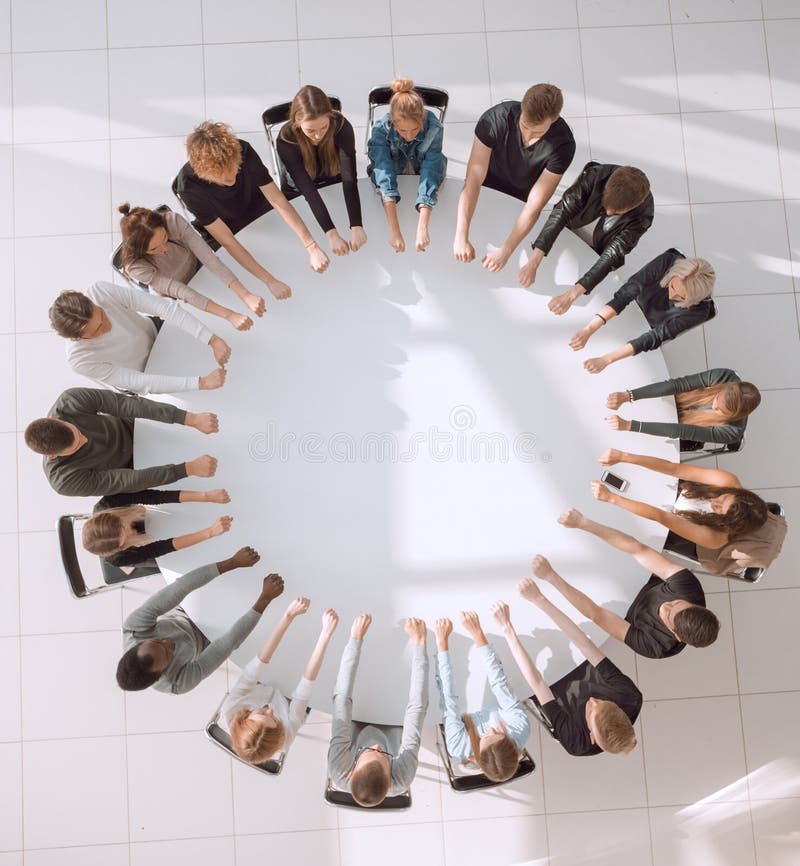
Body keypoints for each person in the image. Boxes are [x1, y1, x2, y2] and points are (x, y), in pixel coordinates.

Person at [174, 121, 329, 300]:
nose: (231, 177)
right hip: (226, 228)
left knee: (295, 264)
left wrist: (311, 246)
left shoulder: (243, 150)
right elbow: (228, 241)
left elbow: (277, 199)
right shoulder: (188, 187)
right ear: (203, 173)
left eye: (234, 168)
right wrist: (269, 280)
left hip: (259, 208)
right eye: (221, 175)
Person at [494, 570, 641, 757]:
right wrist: (539, 599)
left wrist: (507, 628)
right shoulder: (630, 697)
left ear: (592, 737)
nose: (593, 701)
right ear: (620, 710)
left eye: (592, 710)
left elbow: (538, 684)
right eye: (602, 702)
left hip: (550, 688)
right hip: (577, 661)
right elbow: (585, 645)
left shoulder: (576, 742)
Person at [553, 508, 720, 658]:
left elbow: (597, 615)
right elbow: (638, 549)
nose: (666, 606)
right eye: (676, 603)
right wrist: (583, 523)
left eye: (668, 615)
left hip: (618, 609)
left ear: (677, 636)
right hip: (638, 578)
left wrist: (552, 577)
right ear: (694, 605)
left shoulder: (655, 646)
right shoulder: (690, 591)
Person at [593, 448, 787, 576]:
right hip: (675, 497)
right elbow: (674, 469)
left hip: (679, 524)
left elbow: (660, 516)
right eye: (723, 497)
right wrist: (624, 457)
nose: (715, 502)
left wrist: (611, 498)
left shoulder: (715, 537)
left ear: (726, 523)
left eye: (720, 509)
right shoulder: (728, 481)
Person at [117, 546, 282, 695]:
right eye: (168, 653)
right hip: (208, 640)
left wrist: (233, 562)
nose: (168, 642)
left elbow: (179, 588)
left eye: (156, 640)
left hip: (184, 613)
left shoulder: (133, 630)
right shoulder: (177, 683)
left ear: (138, 644)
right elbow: (226, 644)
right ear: (161, 674)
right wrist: (265, 599)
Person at [453, 83, 576, 281]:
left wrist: (507, 250)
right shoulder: (494, 119)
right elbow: (473, 179)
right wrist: (461, 235)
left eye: (537, 132)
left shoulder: (563, 145)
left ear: (554, 119)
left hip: (520, 201)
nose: (528, 135)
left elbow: (535, 204)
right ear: (522, 107)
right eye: (525, 126)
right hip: (485, 187)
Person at [25, 387, 219, 497]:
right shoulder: (64, 480)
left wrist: (190, 418)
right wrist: (187, 469)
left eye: (78, 432)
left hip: (131, 426)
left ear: (54, 419)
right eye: (76, 446)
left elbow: (125, 404)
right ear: (53, 456)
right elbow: (125, 481)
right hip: (132, 467)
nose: (85, 439)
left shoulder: (70, 401)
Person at [50, 283, 230, 396]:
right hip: (148, 373)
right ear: (79, 338)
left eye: (102, 315)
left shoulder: (100, 292)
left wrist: (212, 339)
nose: (107, 326)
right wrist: (201, 383)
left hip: (155, 333)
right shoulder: (80, 360)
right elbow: (140, 382)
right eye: (97, 330)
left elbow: (164, 307)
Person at [520, 162, 653, 309]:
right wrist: (533, 262)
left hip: (596, 247)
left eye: (616, 211)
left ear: (631, 208)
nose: (608, 212)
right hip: (570, 227)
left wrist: (571, 296)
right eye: (606, 204)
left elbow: (612, 254)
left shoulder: (642, 216)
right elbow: (563, 210)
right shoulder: (595, 176)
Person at [328, 614, 429, 807]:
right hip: (395, 718)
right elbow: (418, 707)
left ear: (351, 772)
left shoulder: (339, 768)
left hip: (357, 716)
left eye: (368, 751)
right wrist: (420, 644)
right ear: (390, 779)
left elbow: (341, 699)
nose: (376, 746)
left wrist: (355, 639)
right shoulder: (402, 778)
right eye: (383, 754)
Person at [223, 598, 339, 764]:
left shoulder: (231, 709)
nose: (270, 710)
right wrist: (325, 635)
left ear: (245, 719)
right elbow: (304, 690)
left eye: (261, 713)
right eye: (274, 720)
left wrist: (288, 616)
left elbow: (258, 664)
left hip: (265, 679)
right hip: (289, 699)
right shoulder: (284, 739)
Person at [570, 248, 716, 374]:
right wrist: (589, 329)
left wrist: (606, 359)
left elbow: (656, 336)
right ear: (672, 274)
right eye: (672, 286)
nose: (672, 296)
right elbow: (627, 293)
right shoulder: (667, 262)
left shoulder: (699, 311)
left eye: (682, 297)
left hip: (649, 326)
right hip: (632, 305)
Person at [118, 203, 262, 327]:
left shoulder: (173, 221)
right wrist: (229, 315)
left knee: (231, 296)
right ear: (140, 251)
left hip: (195, 265)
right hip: (172, 294)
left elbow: (209, 258)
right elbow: (182, 292)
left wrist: (245, 295)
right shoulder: (134, 266)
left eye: (165, 238)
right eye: (154, 249)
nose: (164, 248)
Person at [434, 612, 529, 781]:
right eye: (498, 732)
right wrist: (477, 633)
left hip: (465, 692)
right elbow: (499, 682)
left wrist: (442, 644)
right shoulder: (519, 728)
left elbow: (448, 698)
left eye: (485, 737)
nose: (490, 729)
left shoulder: (459, 747)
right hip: (484, 684)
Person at [277, 86, 366, 256]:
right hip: (299, 190)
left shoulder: (341, 127)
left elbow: (349, 178)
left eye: (324, 127)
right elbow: (308, 190)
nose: (318, 136)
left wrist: (356, 224)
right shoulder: (286, 141)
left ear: (330, 118)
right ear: (297, 122)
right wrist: (331, 233)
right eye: (310, 130)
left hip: (333, 179)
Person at [367, 78, 446, 253]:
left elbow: (431, 170)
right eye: (402, 130)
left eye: (415, 130)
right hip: (392, 174)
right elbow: (384, 171)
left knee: (437, 163)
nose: (409, 136)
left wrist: (422, 227)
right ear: (393, 122)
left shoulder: (434, 127)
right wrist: (395, 231)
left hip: (420, 172)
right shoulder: (381, 128)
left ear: (421, 120)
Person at [604, 368, 760, 446]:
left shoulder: (732, 433)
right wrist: (629, 395)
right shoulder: (726, 377)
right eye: (717, 399)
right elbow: (677, 385)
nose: (713, 406)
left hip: (674, 429)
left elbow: (681, 431)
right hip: (668, 400)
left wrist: (630, 425)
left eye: (720, 411)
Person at [82, 488, 233, 569]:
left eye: (123, 527)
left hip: (146, 514)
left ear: (115, 516)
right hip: (144, 545)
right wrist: (209, 532)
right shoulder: (117, 558)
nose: (130, 532)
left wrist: (206, 496)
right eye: (124, 540)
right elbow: (162, 548)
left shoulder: (109, 503)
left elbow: (155, 497)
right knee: (186, 560)